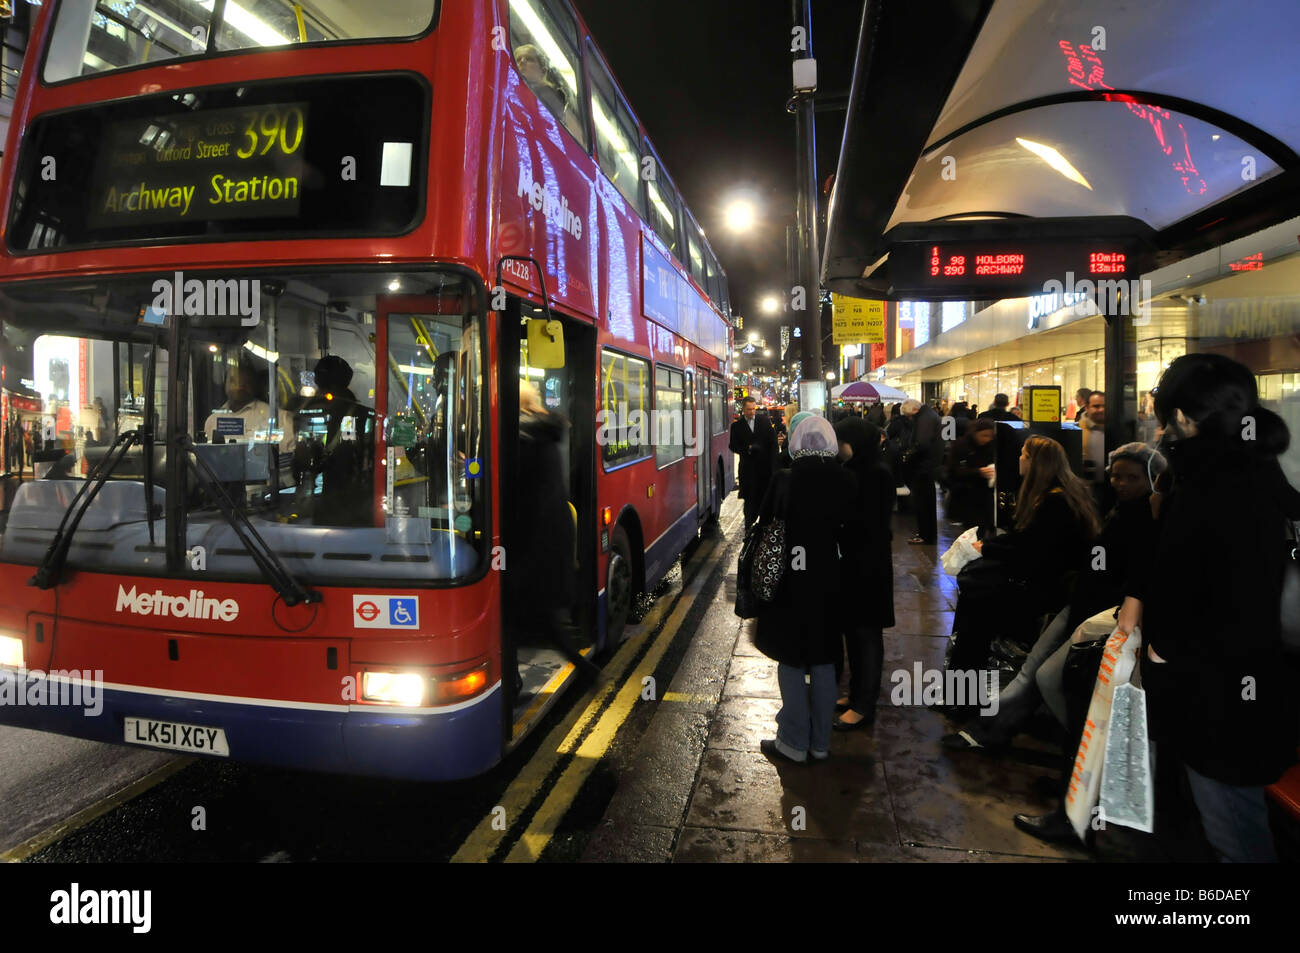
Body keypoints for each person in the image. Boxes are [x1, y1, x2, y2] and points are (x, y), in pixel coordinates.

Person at [1114, 354, 1300, 862]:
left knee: (1234, 833)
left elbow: (1223, 590)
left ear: (1183, 415)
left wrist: (1165, 653)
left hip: (1221, 698)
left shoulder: (1216, 483)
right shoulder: (1245, 468)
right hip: (1233, 687)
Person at [944, 442, 1163, 755]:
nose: (1121, 483)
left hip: (1092, 608)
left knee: (1035, 669)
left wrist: (989, 550)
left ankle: (1076, 748)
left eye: (1132, 478)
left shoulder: (1075, 505)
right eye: (1116, 476)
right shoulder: (1106, 505)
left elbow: (1041, 553)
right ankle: (995, 727)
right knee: (1038, 672)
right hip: (1082, 601)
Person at [946, 436, 1099, 674]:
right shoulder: (1057, 494)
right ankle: (960, 684)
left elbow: (1035, 552)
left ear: (1037, 463)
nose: (1019, 459)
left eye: (1024, 455)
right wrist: (988, 545)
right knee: (972, 587)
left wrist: (987, 548)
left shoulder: (1054, 501)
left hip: (1046, 587)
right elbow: (1028, 540)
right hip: (1045, 578)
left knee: (975, 602)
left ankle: (963, 688)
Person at [753, 416, 857, 763]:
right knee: (825, 659)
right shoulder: (846, 480)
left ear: (795, 442)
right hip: (832, 583)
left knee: (792, 659)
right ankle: (820, 743)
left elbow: (764, 525)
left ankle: (793, 742)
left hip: (790, 584)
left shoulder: (785, 478)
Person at [508, 381, 601, 690]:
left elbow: (515, 491)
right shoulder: (545, 430)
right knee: (544, 618)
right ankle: (583, 669)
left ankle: (514, 682)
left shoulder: (520, 436)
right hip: (552, 534)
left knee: (513, 614)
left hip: (532, 539)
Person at [833, 417, 895, 729]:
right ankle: (856, 693)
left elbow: (867, 523)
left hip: (868, 569)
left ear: (853, 442)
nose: (837, 448)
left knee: (867, 635)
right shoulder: (857, 470)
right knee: (854, 634)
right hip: (855, 566)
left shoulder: (875, 474)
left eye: (840, 441)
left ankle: (864, 705)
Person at [203, 357, 295, 453]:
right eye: (233, 381)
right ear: (225, 384)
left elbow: (286, 460)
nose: (240, 386)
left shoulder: (280, 418)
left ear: (255, 385)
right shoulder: (212, 421)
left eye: (247, 382)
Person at [729, 396, 777, 528]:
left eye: (753, 409)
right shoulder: (736, 427)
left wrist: (773, 467)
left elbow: (772, 444)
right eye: (749, 409)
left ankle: (764, 528)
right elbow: (732, 446)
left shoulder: (764, 422)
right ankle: (749, 529)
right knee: (749, 503)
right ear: (743, 409)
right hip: (748, 471)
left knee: (764, 500)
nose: (752, 412)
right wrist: (747, 449)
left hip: (764, 470)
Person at [901, 398, 943, 544]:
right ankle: (927, 533)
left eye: (908, 416)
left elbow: (922, 443)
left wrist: (908, 456)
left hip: (923, 467)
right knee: (926, 503)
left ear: (914, 410)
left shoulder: (925, 418)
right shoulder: (929, 415)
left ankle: (926, 535)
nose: (909, 419)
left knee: (923, 503)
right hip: (929, 465)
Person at [945, 417, 997, 535]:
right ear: (974, 433)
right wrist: (978, 472)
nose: (987, 439)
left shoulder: (992, 446)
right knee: (971, 531)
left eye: (990, 436)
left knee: (984, 528)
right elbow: (952, 470)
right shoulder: (960, 445)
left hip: (985, 495)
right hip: (966, 495)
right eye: (984, 435)